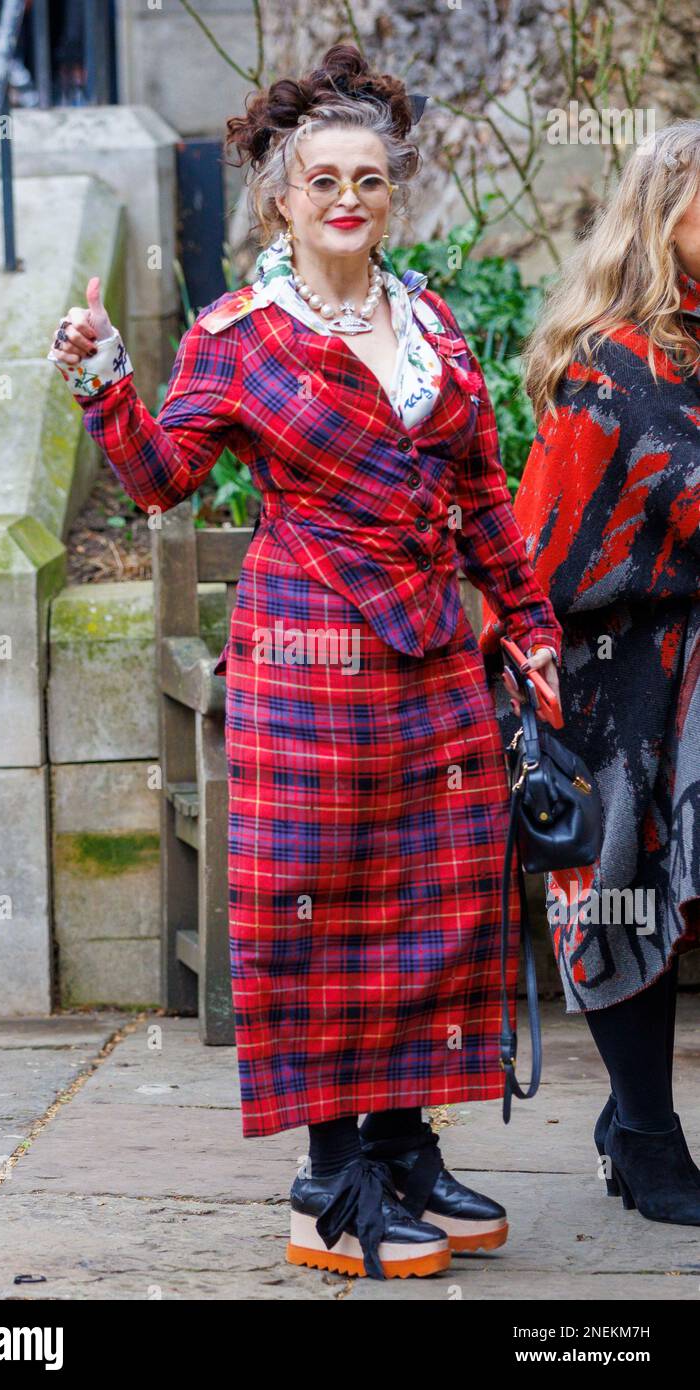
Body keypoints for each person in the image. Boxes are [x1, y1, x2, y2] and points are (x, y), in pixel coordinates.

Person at [47, 44, 563, 1280]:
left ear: (393, 196)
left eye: (368, 180)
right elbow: (163, 478)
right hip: (304, 662)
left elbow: (484, 496)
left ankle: (403, 1152)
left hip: (434, 666)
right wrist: (106, 381)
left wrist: (531, 627)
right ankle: (328, 1184)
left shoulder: (433, 327)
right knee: (320, 918)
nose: (346, 198)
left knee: (433, 916)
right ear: (280, 195)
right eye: (321, 178)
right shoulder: (237, 336)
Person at [479, 120, 700, 1226]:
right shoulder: (614, 361)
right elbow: (550, 551)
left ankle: (638, 1126)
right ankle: (645, 1133)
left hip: (689, 668)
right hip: (605, 674)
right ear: (661, 216)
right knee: (622, 893)